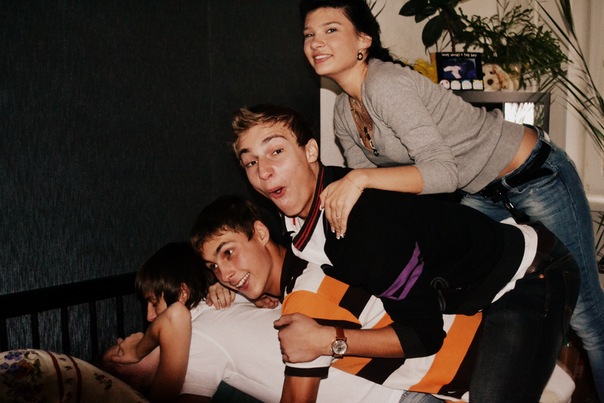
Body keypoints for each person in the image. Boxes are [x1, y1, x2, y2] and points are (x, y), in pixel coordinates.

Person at [299, 1, 604, 399]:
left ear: (363, 40)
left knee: (587, 320)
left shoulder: (385, 84)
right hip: (479, 193)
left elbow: (443, 173)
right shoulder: (344, 111)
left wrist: (358, 178)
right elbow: (377, 201)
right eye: (309, 34)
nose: (316, 42)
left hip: (533, 176)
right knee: (476, 286)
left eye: (330, 30)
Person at [230, 103, 579, 402]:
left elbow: (425, 336)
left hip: (531, 277)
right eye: (250, 162)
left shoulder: (360, 231)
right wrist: (225, 284)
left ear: (310, 152)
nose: (264, 172)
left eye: (276, 152)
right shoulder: (297, 212)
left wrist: (328, 341)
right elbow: (291, 254)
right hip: (476, 283)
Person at [192, 195, 487, 403]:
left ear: (260, 232)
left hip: (473, 368)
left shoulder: (304, 297)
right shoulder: (308, 254)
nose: (225, 273)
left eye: (228, 252)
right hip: (473, 346)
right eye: (213, 267)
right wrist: (240, 294)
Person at [105, 242, 423, 403]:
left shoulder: (218, 305)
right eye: (118, 356)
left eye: (154, 303)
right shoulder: (197, 343)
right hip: (394, 390)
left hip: (397, 386)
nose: (147, 320)